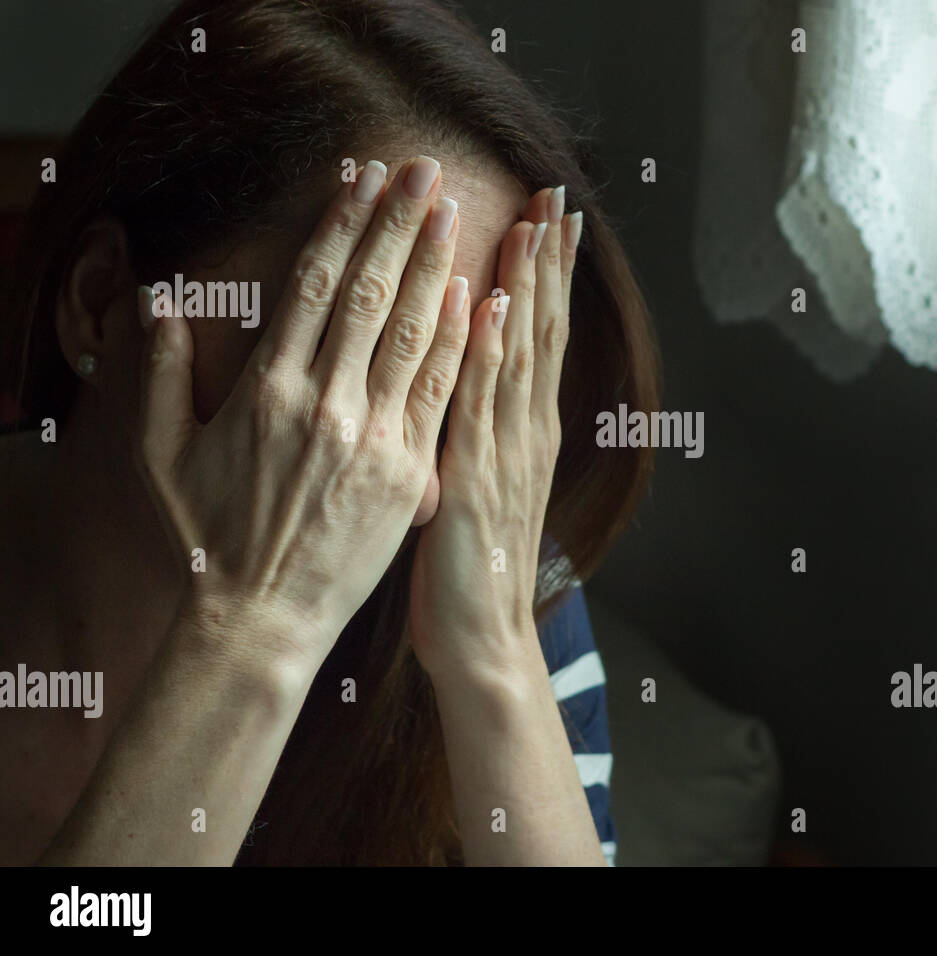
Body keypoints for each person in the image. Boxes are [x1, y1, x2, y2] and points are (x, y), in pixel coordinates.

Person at [0, 0, 658, 866]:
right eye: (350, 351)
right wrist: (255, 627)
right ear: (98, 301)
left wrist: (495, 653)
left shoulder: (514, 601)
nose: (392, 473)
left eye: (463, 390)